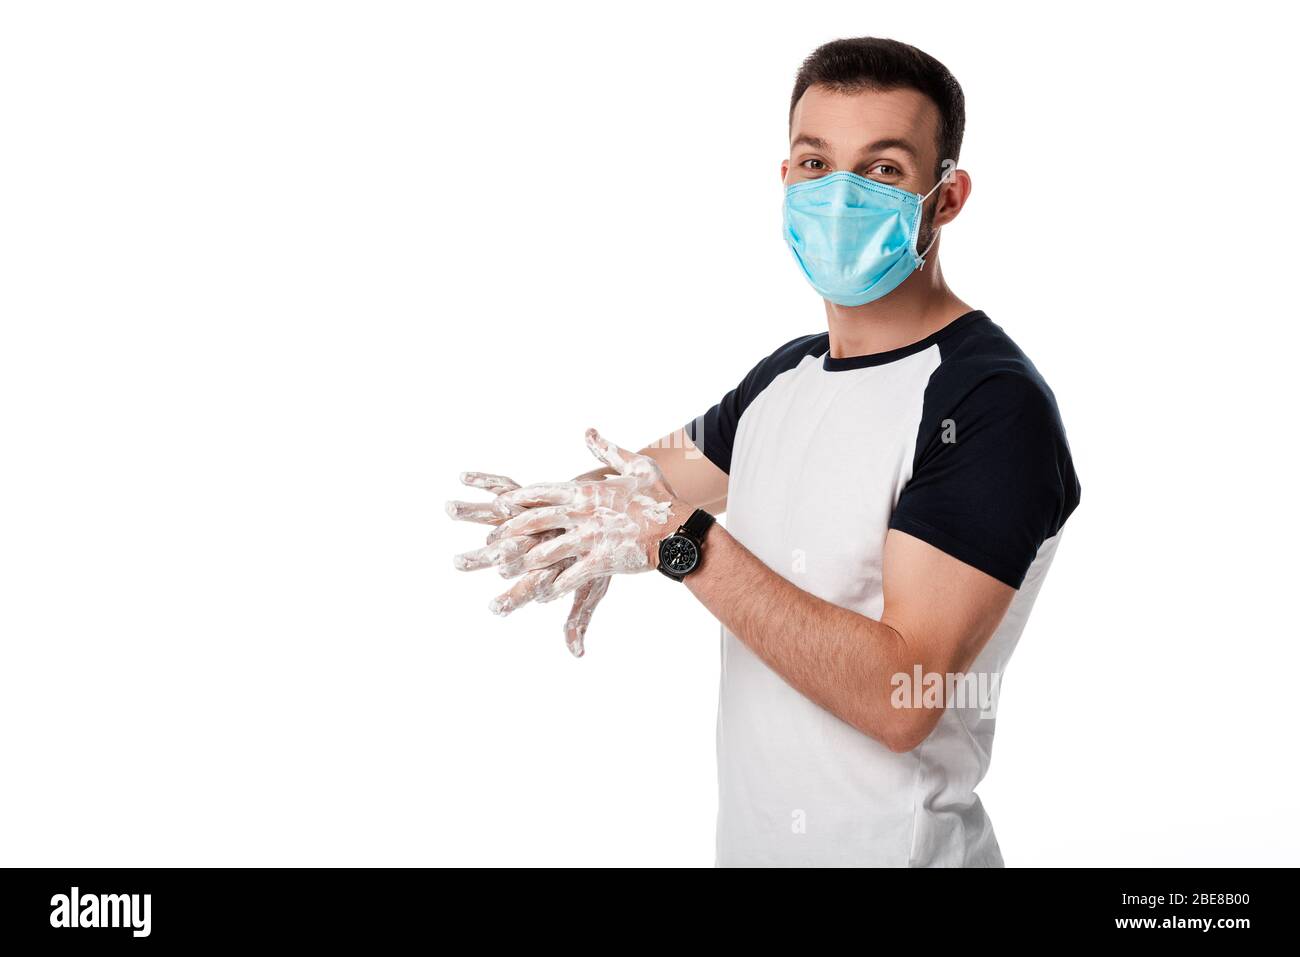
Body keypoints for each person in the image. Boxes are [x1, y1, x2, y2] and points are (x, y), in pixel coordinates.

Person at [447, 36, 1081, 867]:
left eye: (883, 170)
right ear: (785, 181)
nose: (840, 194)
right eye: (816, 164)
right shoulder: (784, 376)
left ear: (947, 197)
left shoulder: (989, 405)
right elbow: (640, 484)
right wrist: (555, 517)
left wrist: (681, 542)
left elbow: (903, 696)